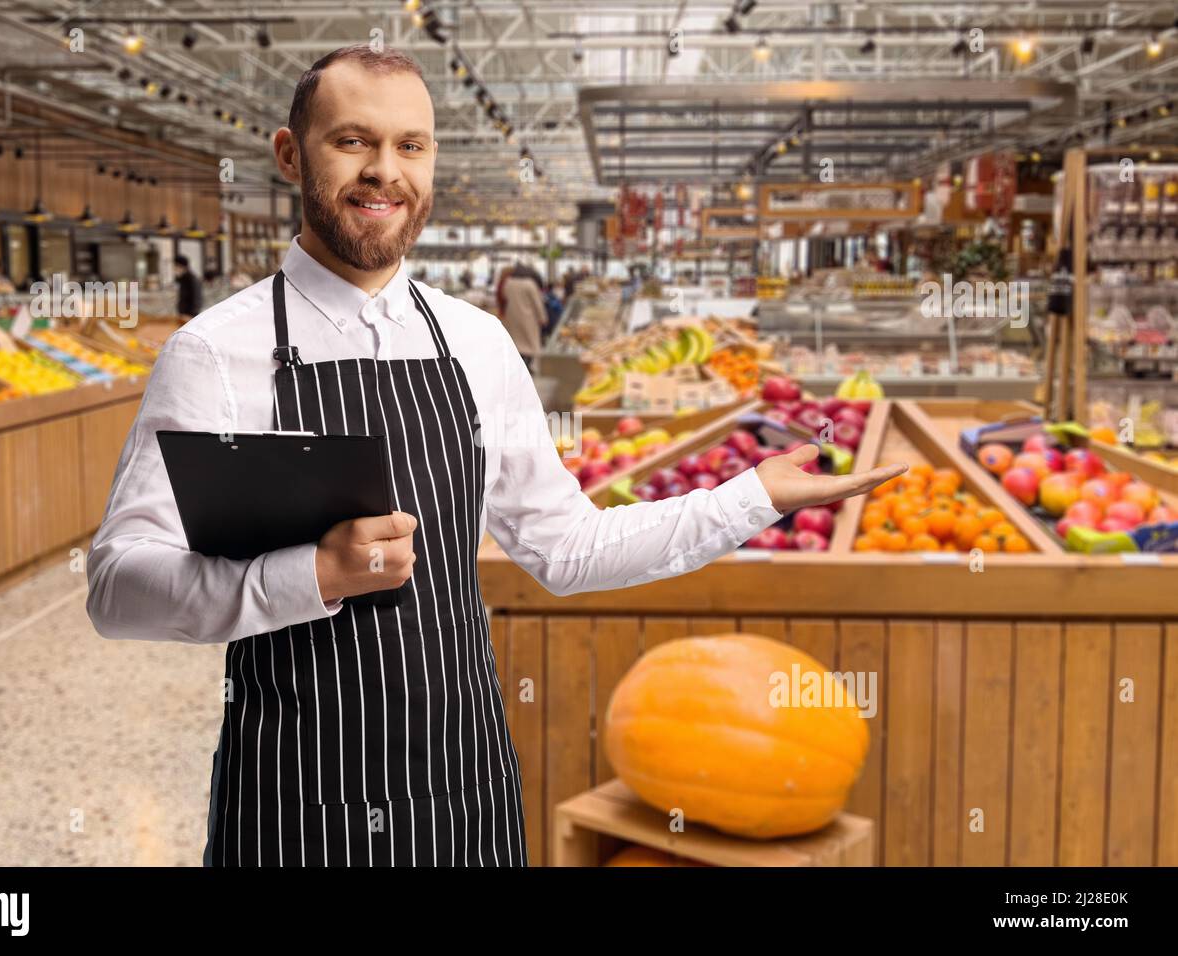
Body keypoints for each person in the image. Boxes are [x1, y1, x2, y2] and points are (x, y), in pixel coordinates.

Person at [85, 43, 905, 869]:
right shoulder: (216, 351)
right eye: (352, 141)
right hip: (297, 794)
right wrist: (310, 577)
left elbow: (567, 549)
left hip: (462, 785)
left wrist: (751, 495)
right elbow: (118, 587)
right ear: (290, 154)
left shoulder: (475, 344)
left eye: (411, 145)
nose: (384, 171)